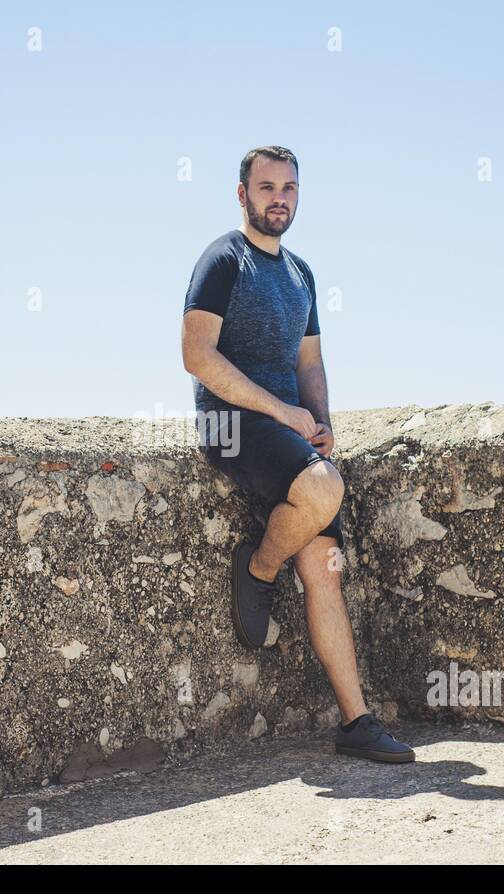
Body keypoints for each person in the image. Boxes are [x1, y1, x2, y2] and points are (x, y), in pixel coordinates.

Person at [180, 146, 414, 763]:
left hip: (289, 436)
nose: (278, 197)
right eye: (266, 186)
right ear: (242, 195)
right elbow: (197, 356)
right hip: (234, 423)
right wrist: (281, 412)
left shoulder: (302, 274)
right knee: (323, 488)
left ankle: (355, 722)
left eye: (288, 187)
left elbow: (310, 361)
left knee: (324, 567)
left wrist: (324, 422)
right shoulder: (222, 261)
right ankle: (257, 568)